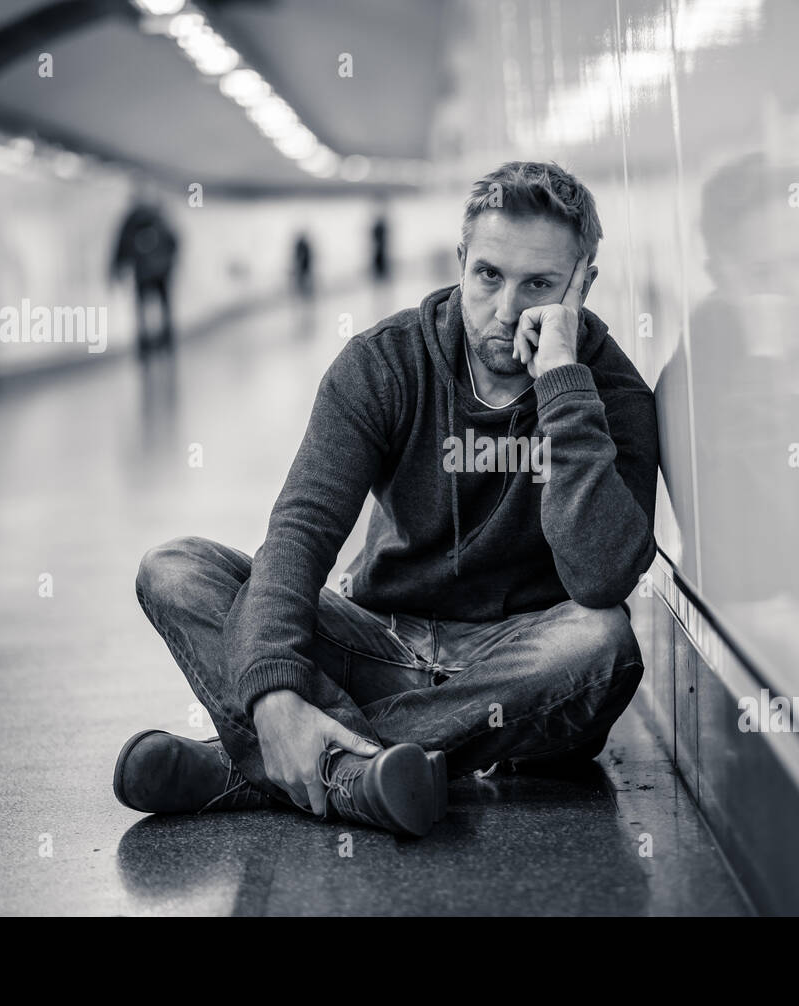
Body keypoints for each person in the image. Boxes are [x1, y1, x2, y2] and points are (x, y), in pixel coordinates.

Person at [114, 161, 659, 837]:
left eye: (540, 285)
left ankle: (253, 769)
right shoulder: (386, 363)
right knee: (174, 568)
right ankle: (349, 772)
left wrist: (563, 383)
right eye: (488, 276)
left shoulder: (609, 393)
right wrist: (275, 693)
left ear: (582, 285)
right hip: (381, 647)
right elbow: (300, 534)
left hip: (517, 675)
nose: (508, 310)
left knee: (602, 640)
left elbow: (600, 575)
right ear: (461, 261)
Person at [110, 186, 179, 354]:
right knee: (157, 307)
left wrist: (116, 269)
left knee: (148, 308)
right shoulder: (156, 218)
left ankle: (151, 343)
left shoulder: (137, 220)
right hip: (156, 272)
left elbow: (121, 247)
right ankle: (161, 341)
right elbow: (174, 242)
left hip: (148, 272)